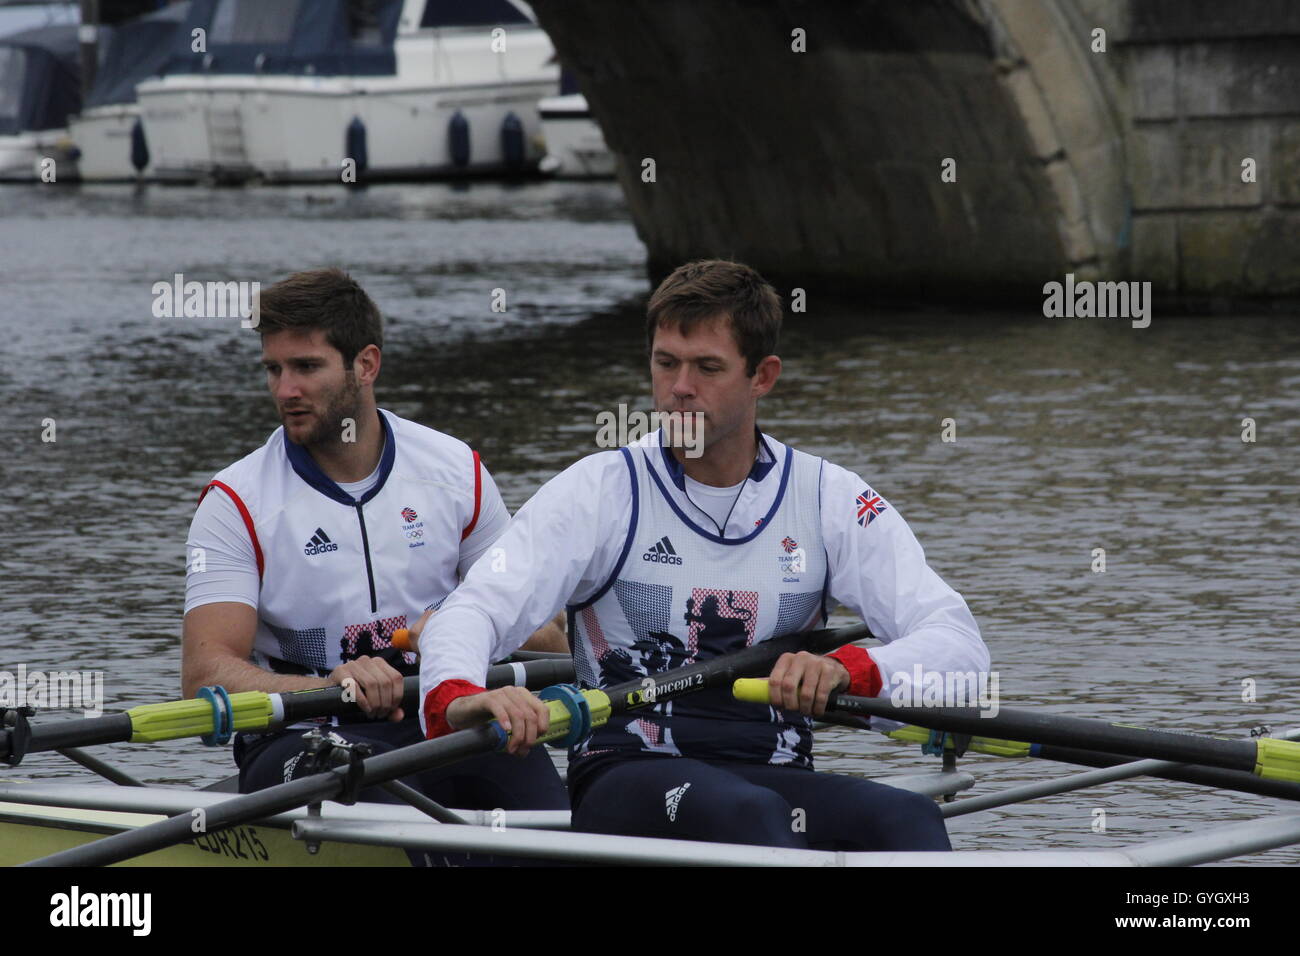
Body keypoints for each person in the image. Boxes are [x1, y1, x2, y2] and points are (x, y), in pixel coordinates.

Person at [416, 259, 990, 851]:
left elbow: (959, 647)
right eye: (666, 364)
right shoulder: (600, 490)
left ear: (762, 376)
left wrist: (853, 670)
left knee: (909, 821)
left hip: (772, 776)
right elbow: (472, 609)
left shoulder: (827, 498)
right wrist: (462, 693)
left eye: (707, 367)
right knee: (747, 815)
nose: (680, 387)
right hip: (627, 776)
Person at [181, 268, 568, 839]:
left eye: (306, 367)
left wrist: (464, 622)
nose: (285, 390)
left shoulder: (457, 473)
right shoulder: (236, 503)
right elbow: (204, 674)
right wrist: (328, 686)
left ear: (365, 365)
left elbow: (552, 639)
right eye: (274, 369)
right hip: (301, 735)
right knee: (380, 801)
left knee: (546, 804)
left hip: (442, 713)